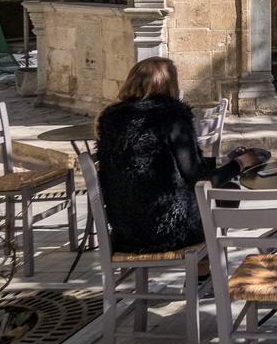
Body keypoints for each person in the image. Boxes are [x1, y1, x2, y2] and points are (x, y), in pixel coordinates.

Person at [94, 57, 251, 256]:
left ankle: (203, 269)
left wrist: (222, 161)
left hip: (127, 232)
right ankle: (205, 267)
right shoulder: (172, 117)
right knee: (229, 190)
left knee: (221, 190)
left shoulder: (110, 118)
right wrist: (240, 164)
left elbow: (164, 162)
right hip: (171, 230)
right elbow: (199, 179)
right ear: (171, 84)